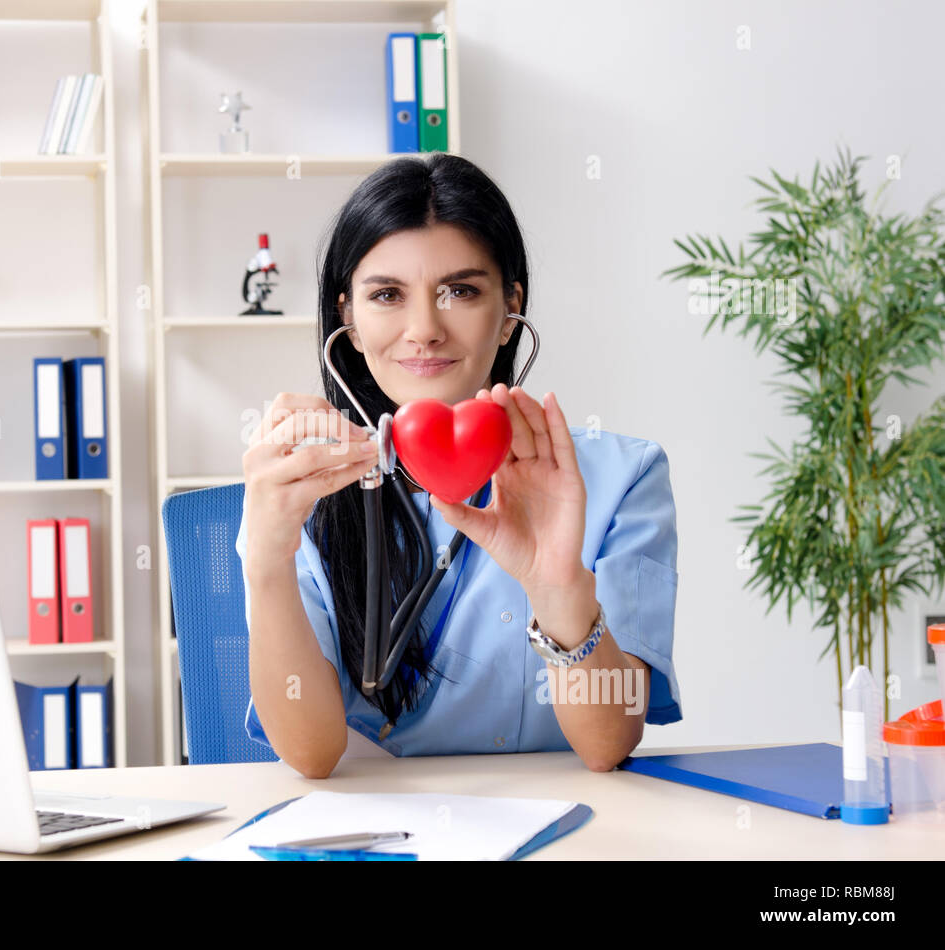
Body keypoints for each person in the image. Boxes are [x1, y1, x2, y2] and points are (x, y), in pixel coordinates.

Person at [237, 153, 680, 779]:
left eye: (461, 291)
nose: (424, 329)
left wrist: (556, 588)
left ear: (508, 311)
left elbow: (607, 744)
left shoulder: (621, 475)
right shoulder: (299, 485)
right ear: (350, 322)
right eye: (387, 295)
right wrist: (265, 562)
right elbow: (311, 756)